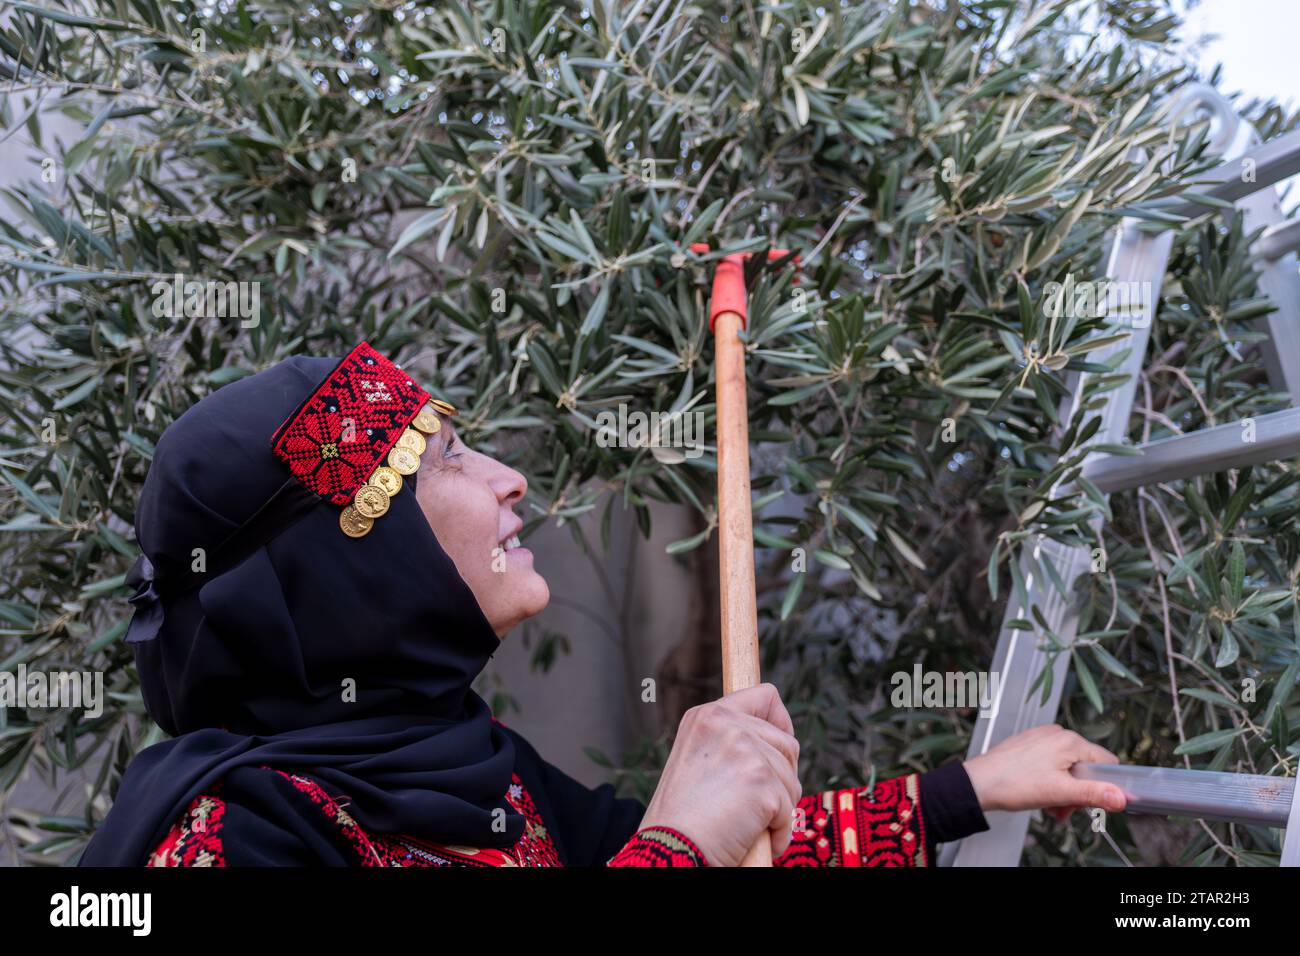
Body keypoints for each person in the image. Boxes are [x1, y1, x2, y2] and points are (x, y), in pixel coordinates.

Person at [78, 342, 1127, 868]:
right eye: (441, 457)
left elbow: (742, 851)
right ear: (345, 557)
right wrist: (671, 842)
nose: (507, 477)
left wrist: (972, 785)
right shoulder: (229, 837)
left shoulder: (463, 762)